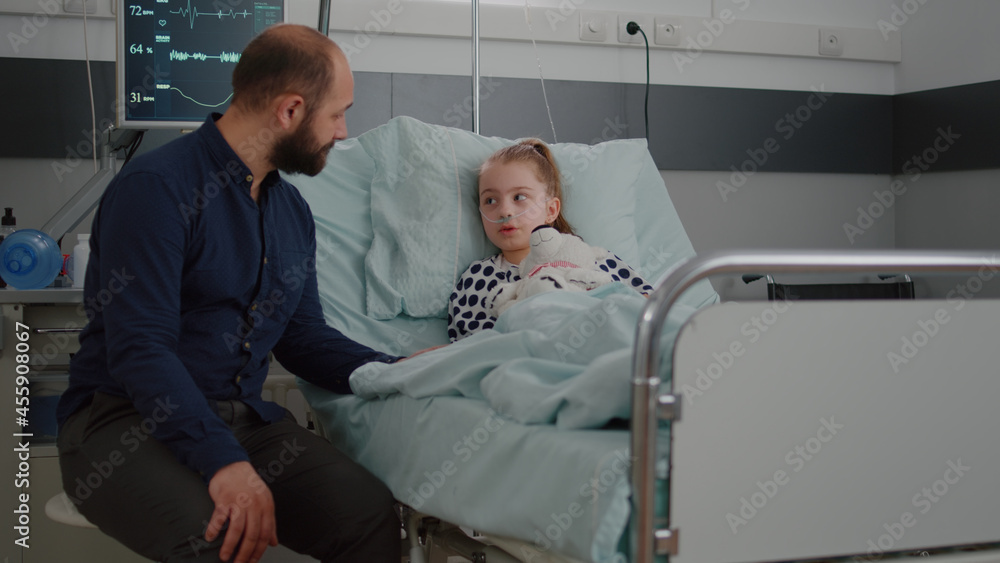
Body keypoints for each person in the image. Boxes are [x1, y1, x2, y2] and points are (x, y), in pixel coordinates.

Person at [56, 24, 403, 563]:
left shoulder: (292, 213)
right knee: (216, 538)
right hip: (123, 423)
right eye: (337, 113)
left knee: (366, 515)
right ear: (289, 111)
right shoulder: (157, 189)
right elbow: (140, 348)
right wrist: (223, 462)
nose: (342, 131)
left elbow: (303, 337)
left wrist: (395, 369)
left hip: (243, 423)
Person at [447, 139, 654, 341]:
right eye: (490, 200)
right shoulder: (478, 279)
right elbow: (473, 348)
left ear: (551, 210)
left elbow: (653, 310)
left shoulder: (592, 260)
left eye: (519, 197)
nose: (504, 211)